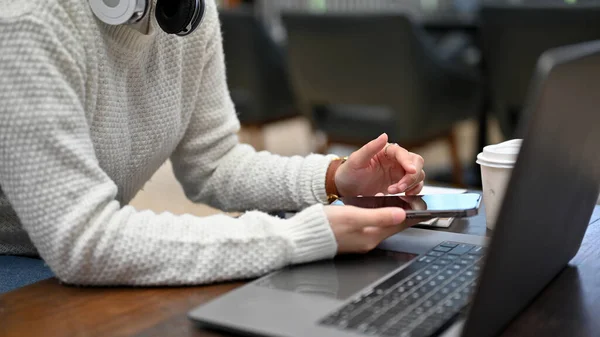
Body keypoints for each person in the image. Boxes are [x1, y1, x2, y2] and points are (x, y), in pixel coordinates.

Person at [0, 0, 425, 287]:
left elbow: (216, 163)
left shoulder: (186, 18)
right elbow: (83, 240)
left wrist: (335, 178)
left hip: (63, 255)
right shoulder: (26, 23)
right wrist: (294, 237)